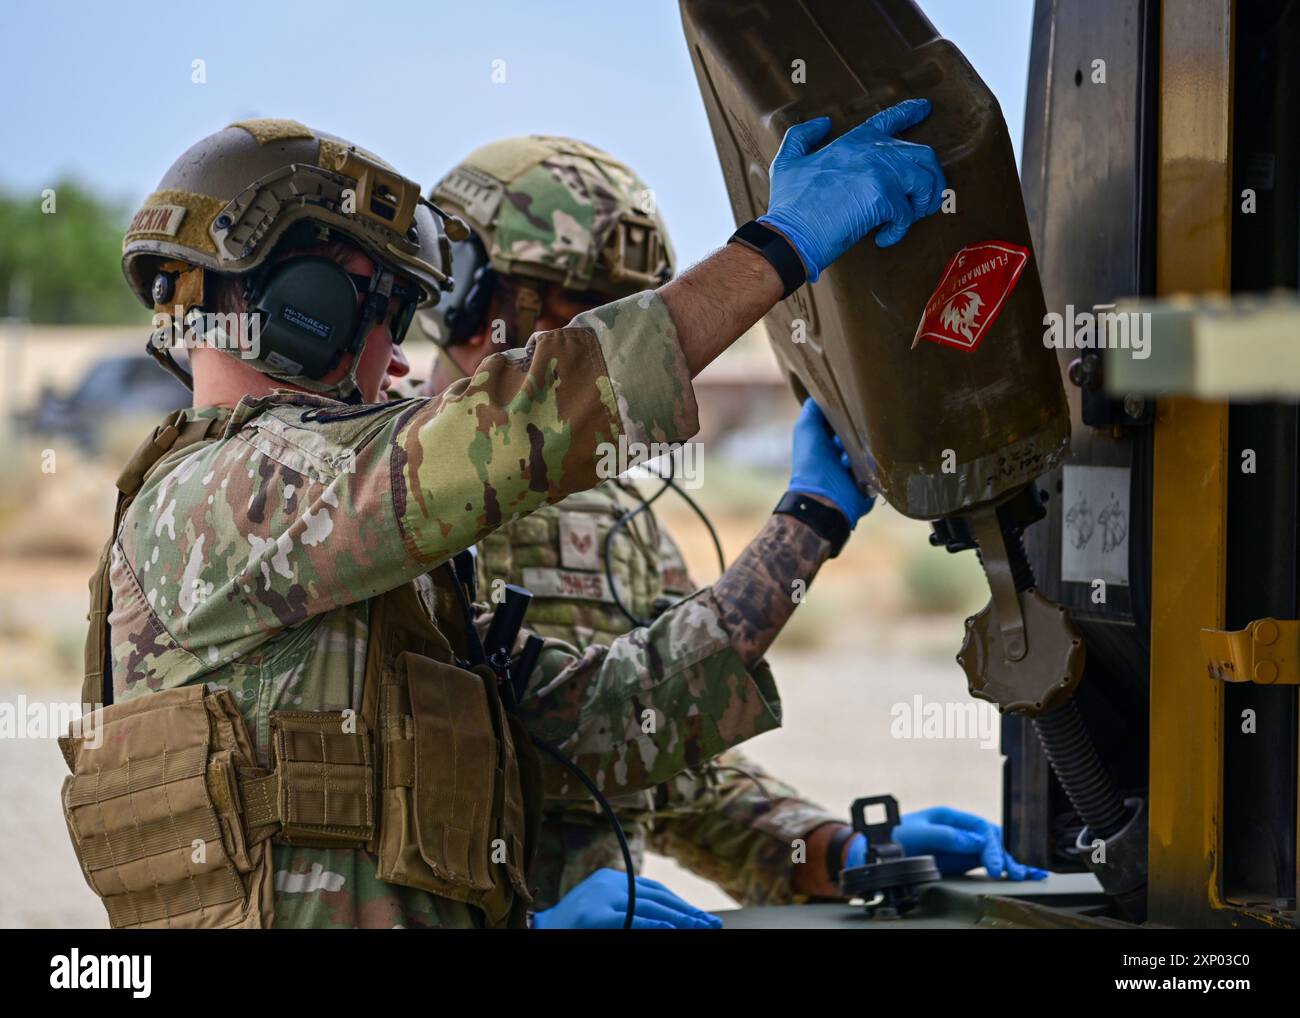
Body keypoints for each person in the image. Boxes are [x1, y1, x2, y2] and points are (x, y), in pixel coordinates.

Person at [58, 102, 954, 930]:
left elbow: (595, 726)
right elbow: (514, 420)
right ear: (309, 308)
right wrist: (778, 247)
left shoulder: (363, 547)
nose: (396, 350)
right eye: (387, 308)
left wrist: (809, 521)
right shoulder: (217, 498)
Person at [417, 135, 1046, 914]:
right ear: (465, 294)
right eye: (584, 312)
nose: (612, 350)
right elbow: (326, 833)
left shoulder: (614, 520)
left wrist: (839, 849)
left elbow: (670, 767)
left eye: (628, 313)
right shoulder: (374, 515)